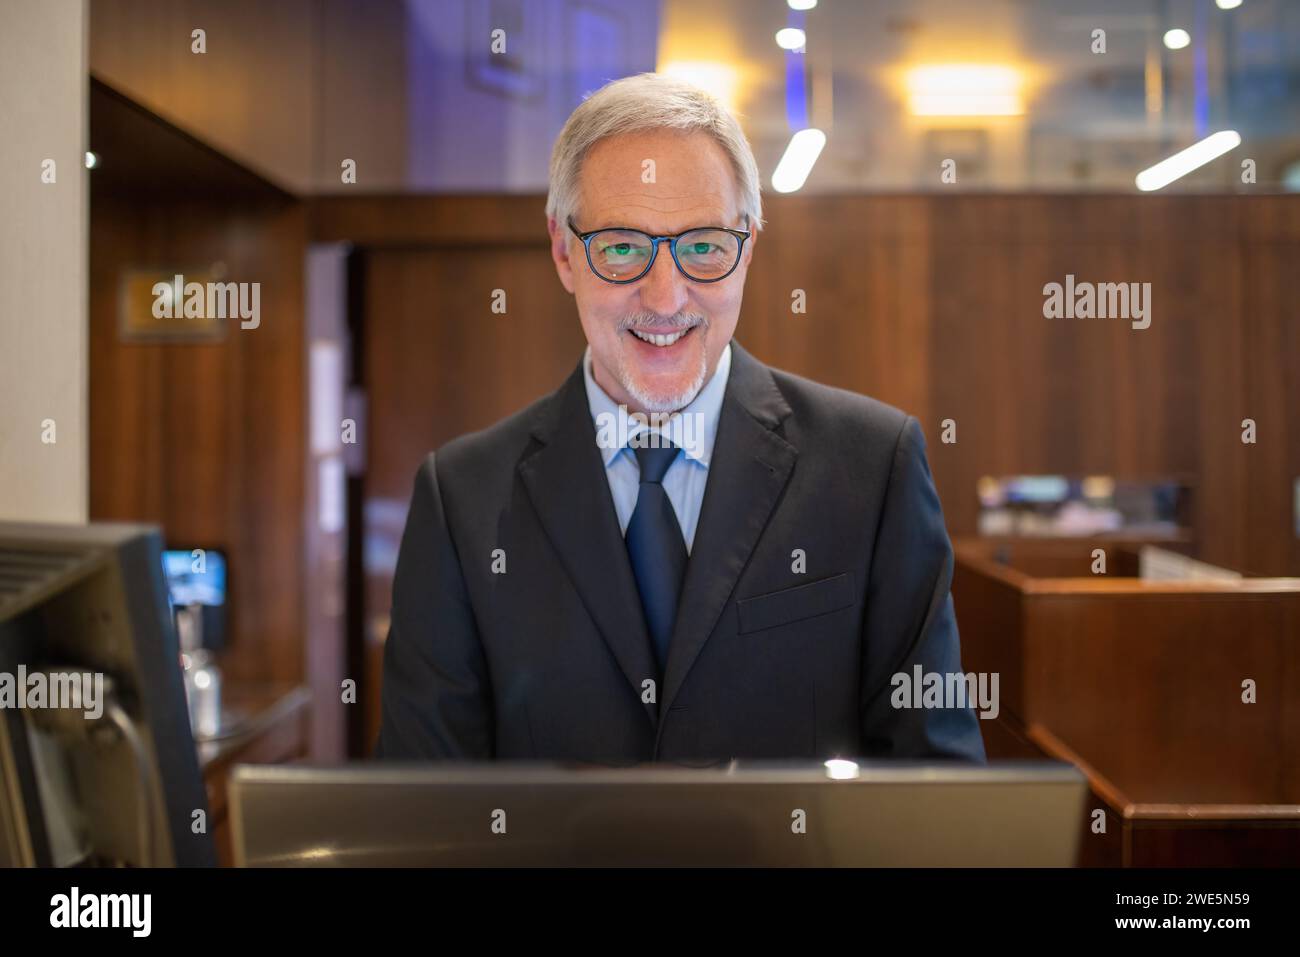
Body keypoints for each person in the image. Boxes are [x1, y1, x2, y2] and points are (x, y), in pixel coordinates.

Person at [376, 73, 986, 765]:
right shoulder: (461, 499)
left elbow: (936, 787)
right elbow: (422, 809)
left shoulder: (873, 468)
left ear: (749, 245)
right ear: (563, 250)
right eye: (622, 246)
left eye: (702, 246)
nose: (665, 298)